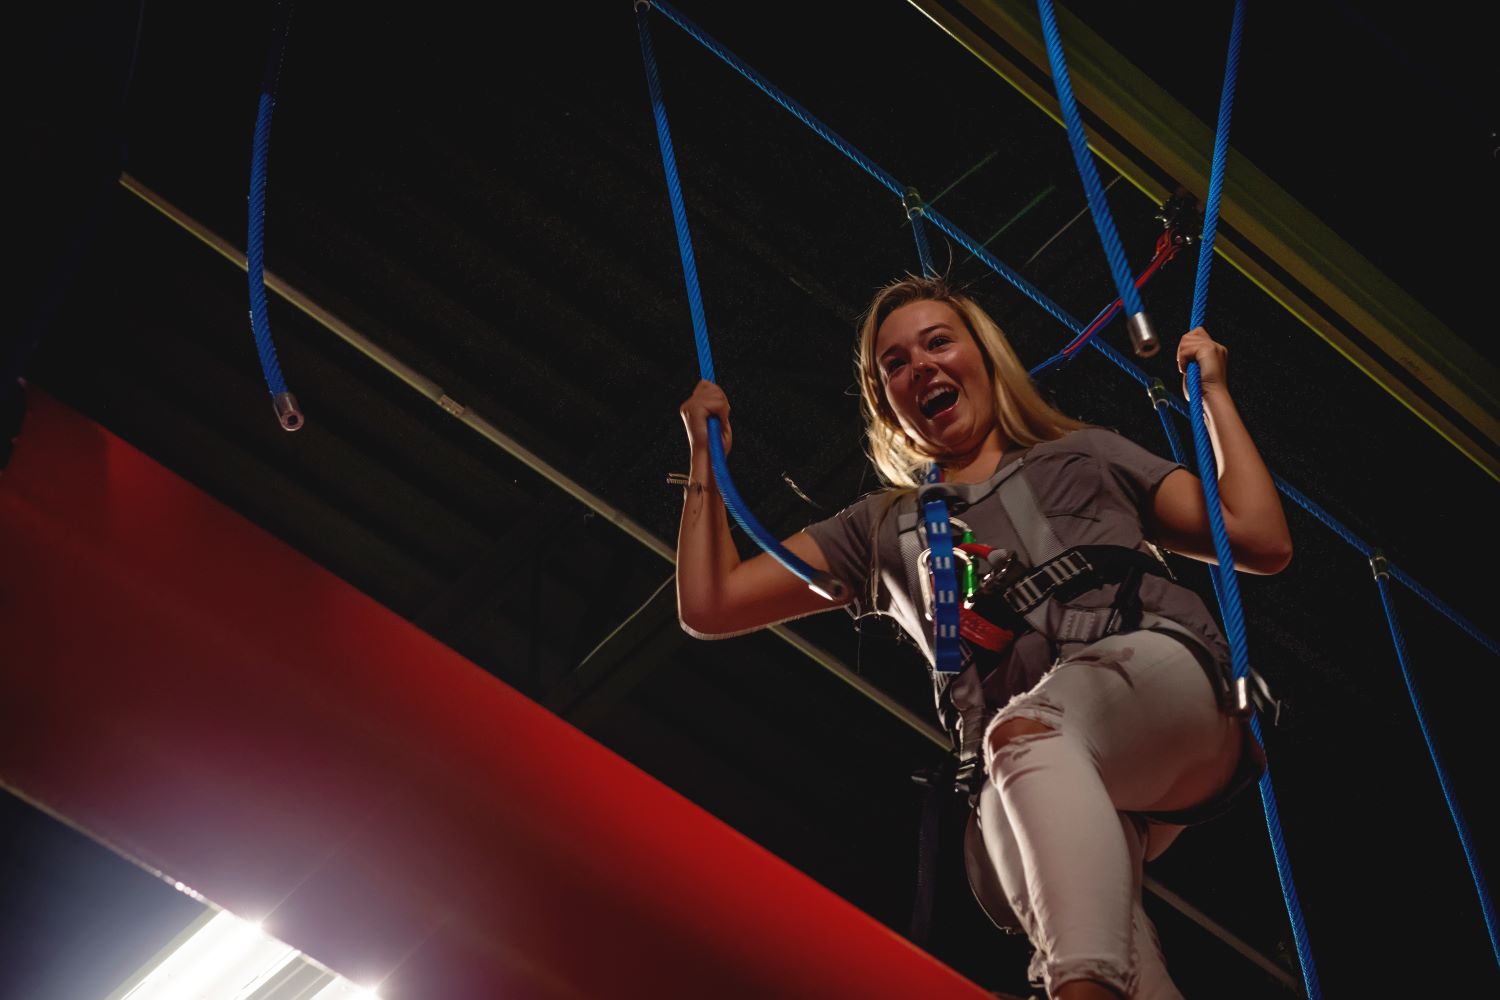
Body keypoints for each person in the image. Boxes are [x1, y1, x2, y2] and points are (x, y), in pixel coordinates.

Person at [675, 274, 1291, 1000]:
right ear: (887, 406)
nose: (920, 367)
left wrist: (1212, 395)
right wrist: (705, 462)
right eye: (895, 365)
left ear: (984, 357)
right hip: (1035, 761)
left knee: (1025, 732)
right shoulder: (880, 529)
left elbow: (1258, 537)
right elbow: (711, 603)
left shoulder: (1086, 455)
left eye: (938, 342)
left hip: (1160, 693)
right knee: (1059, 892)